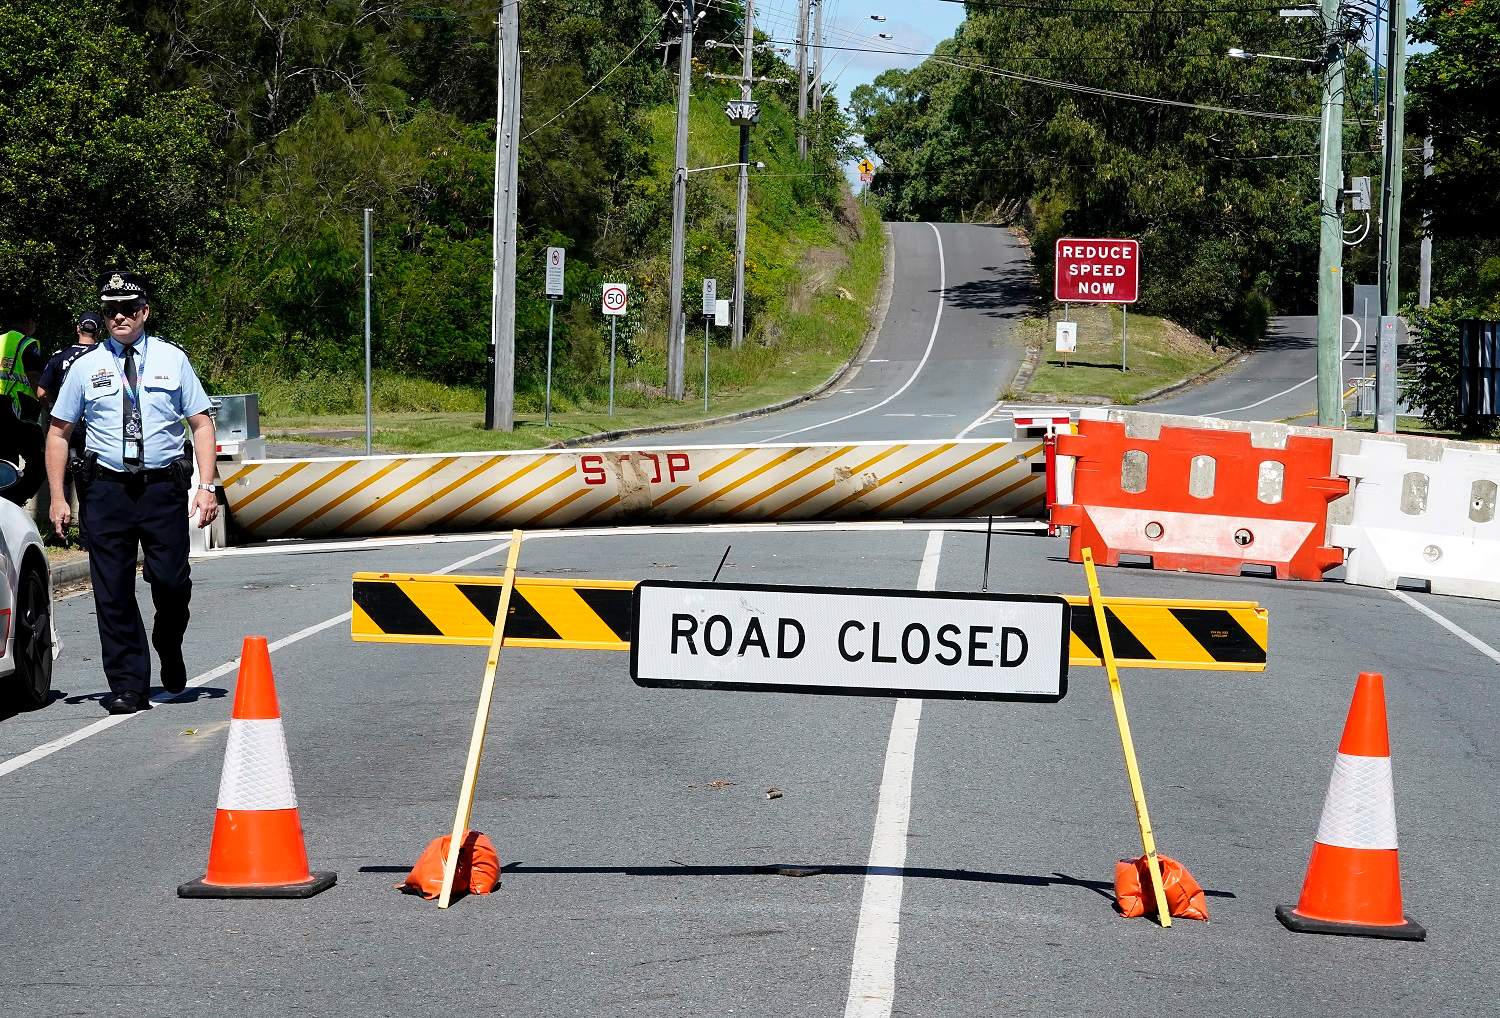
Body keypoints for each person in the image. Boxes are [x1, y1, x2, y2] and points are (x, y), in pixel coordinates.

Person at [46, 271, 221, 715]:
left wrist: (206, 486)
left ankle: (168, 639)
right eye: (110, 311)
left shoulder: (172, 359)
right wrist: (58, 496)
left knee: (170, 580)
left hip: (162, 487)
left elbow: (200, 423)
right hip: (106, 490)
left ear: (144, 311)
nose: (119, 317)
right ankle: (127, 684)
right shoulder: (85, 367)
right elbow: (59, 433)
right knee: (112, 591)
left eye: (127, 309)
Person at [37, 310, 104, 543]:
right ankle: (88, 536)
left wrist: (55, 408)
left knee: (62, 477)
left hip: (65, 425)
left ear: (78, 329)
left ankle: (60, 532)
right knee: (89, 479)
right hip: (93, 426)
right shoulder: (104, 355)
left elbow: (41, 391)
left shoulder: (59, 356)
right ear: (99, 330)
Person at [0, 306, 46, 506]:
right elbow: (36, 379)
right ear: (27, 323)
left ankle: (5, 505)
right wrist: (49, 404)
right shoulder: (28, 344)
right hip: (16, 413)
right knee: (42, 461)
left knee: (3, 465)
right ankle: (13, 502)